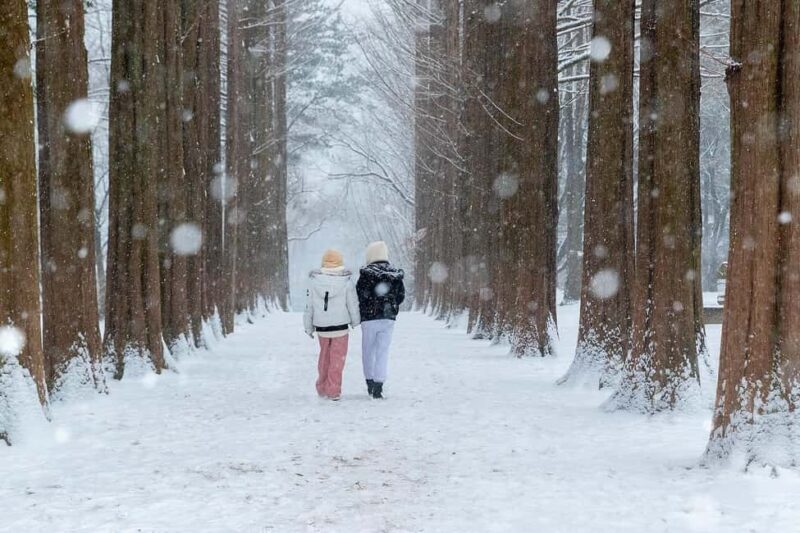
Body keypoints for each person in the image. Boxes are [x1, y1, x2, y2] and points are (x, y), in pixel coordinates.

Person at [303, 249, 360, 400]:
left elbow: (309, 307)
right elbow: (352, 304)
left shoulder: (314, 282)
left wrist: (308, 327)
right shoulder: (347, 283)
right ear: (340, 264)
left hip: (322, 328)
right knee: (337, 359)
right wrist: (356, 321)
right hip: (340, 327)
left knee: (324, 357)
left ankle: (321, 387)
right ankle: (333, 390)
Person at [357, 241, 405, 399]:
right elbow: (400, 296)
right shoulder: (395, 275)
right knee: (383, 351)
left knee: (368, 351)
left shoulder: (365, 275)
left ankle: (369, 381)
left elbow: (359, 294)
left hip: (369, 318)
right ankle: (379, 384)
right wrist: (391, 306)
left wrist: (366, 307)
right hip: (388, 318)